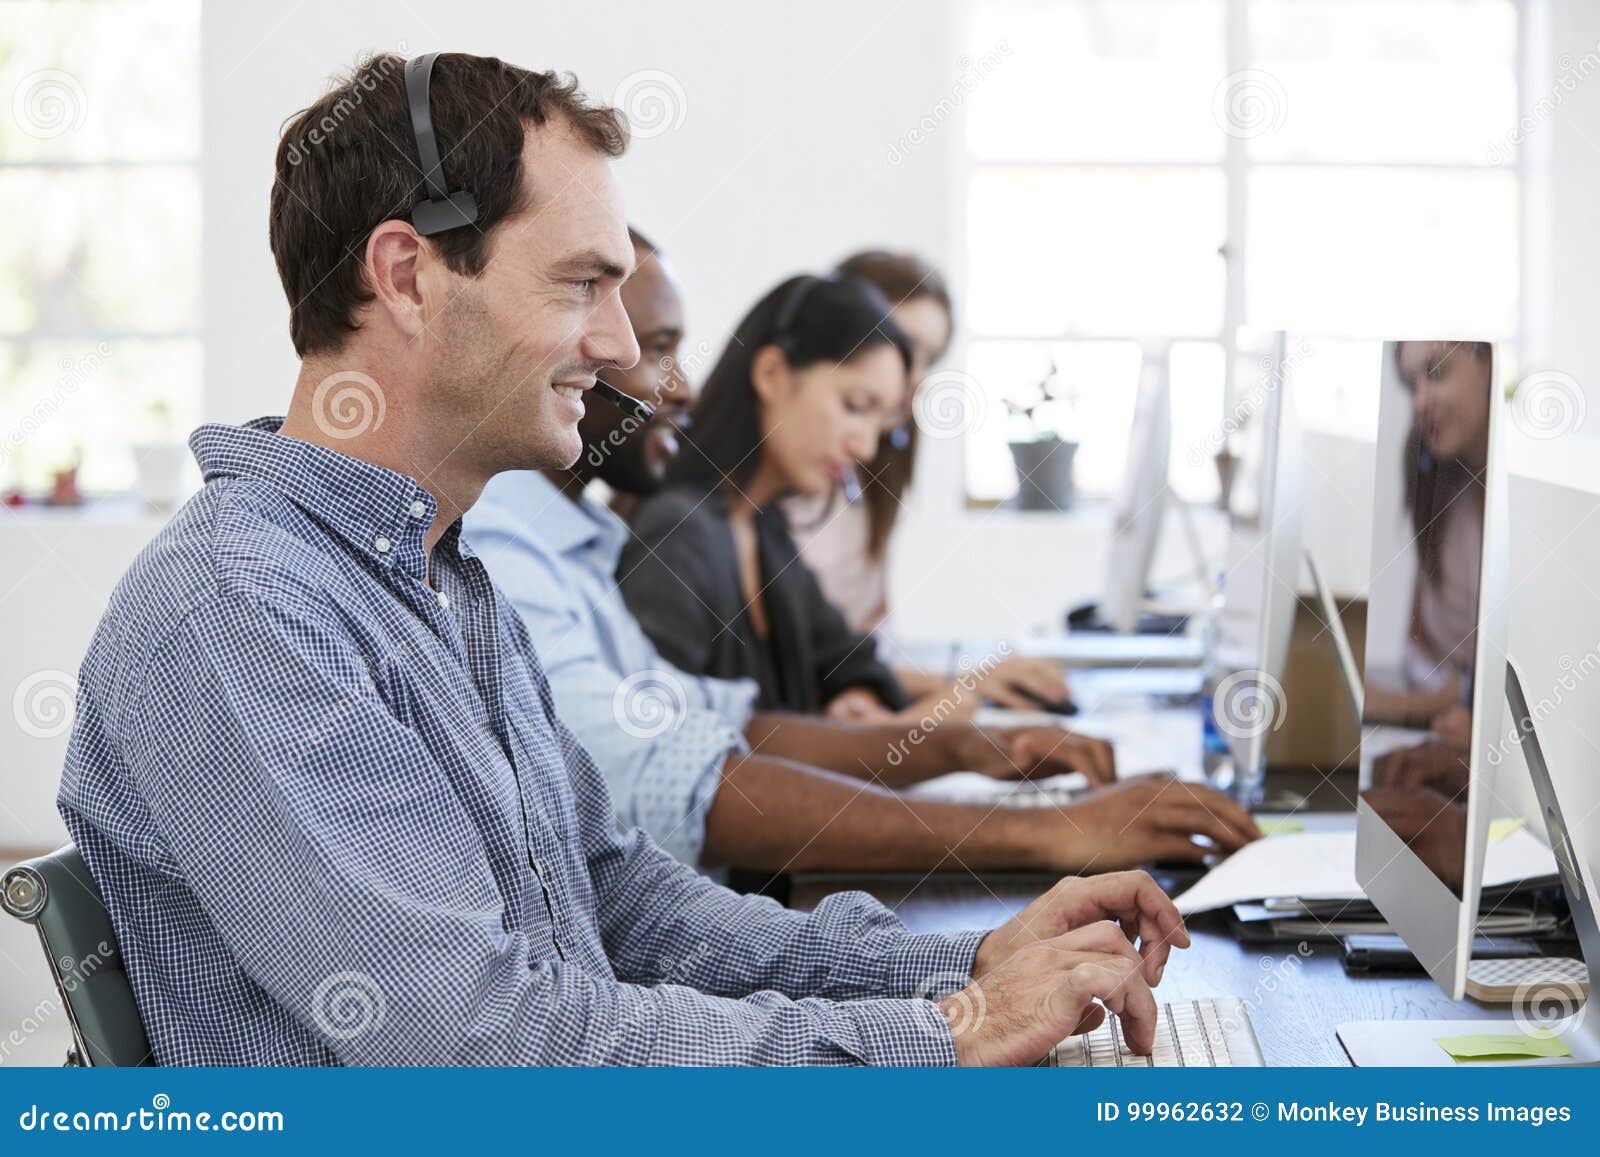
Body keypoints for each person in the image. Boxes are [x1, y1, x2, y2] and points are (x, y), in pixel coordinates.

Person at [57, 51, 1193, 1067]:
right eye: (579, 284)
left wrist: (965, 964)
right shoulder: (246, 608)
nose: (616, 347)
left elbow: (622, 897)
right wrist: (943, 1032)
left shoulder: (441, 576)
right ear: (406, 276)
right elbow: (482, 1044)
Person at [467, 228, 1260, 873]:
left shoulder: (632, 540)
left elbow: (729, 725)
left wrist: (961, 740)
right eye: (857, 404)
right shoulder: (599, 542)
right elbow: (677, 789)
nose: (684, 385)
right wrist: (1042, 829)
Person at [785, 249, 1075, 724]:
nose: (914, 377)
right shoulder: (782, 484)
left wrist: (959, 681)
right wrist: (959, 681)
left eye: (929, 359)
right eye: (900, 346)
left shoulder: (870, 469)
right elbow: (802, 671)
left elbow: (856, 651)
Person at [1362, 340, 1492, 741]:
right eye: (1410, 384)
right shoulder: (1436, 480)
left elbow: (1493, 685)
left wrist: (1394, 706)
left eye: (1436, 373)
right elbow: (1416, 646)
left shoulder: (1522, 507)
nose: (1419, 402)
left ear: (1487, 360)